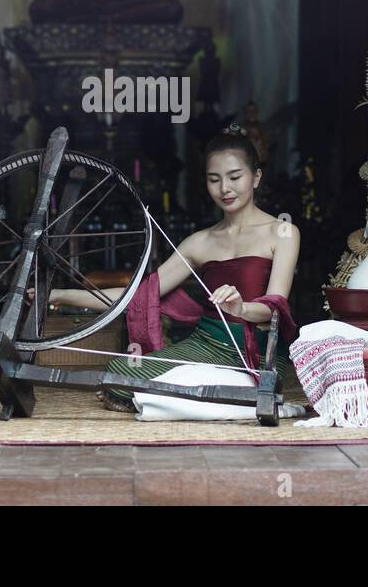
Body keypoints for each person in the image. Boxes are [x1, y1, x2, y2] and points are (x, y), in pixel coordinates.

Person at [42, 124, 300, 412]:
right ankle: (163, 396)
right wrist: (58, 295)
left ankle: (155, 397)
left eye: (235, 177)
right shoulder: (198, 242)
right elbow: (137, 295)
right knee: (117, 371)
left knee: (134, 387)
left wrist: (241, 309)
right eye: (214, 179)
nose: (224, 189)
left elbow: (275, 306)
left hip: (257, 355)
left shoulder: (283, 232)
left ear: (256, 177)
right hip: (206, 344)